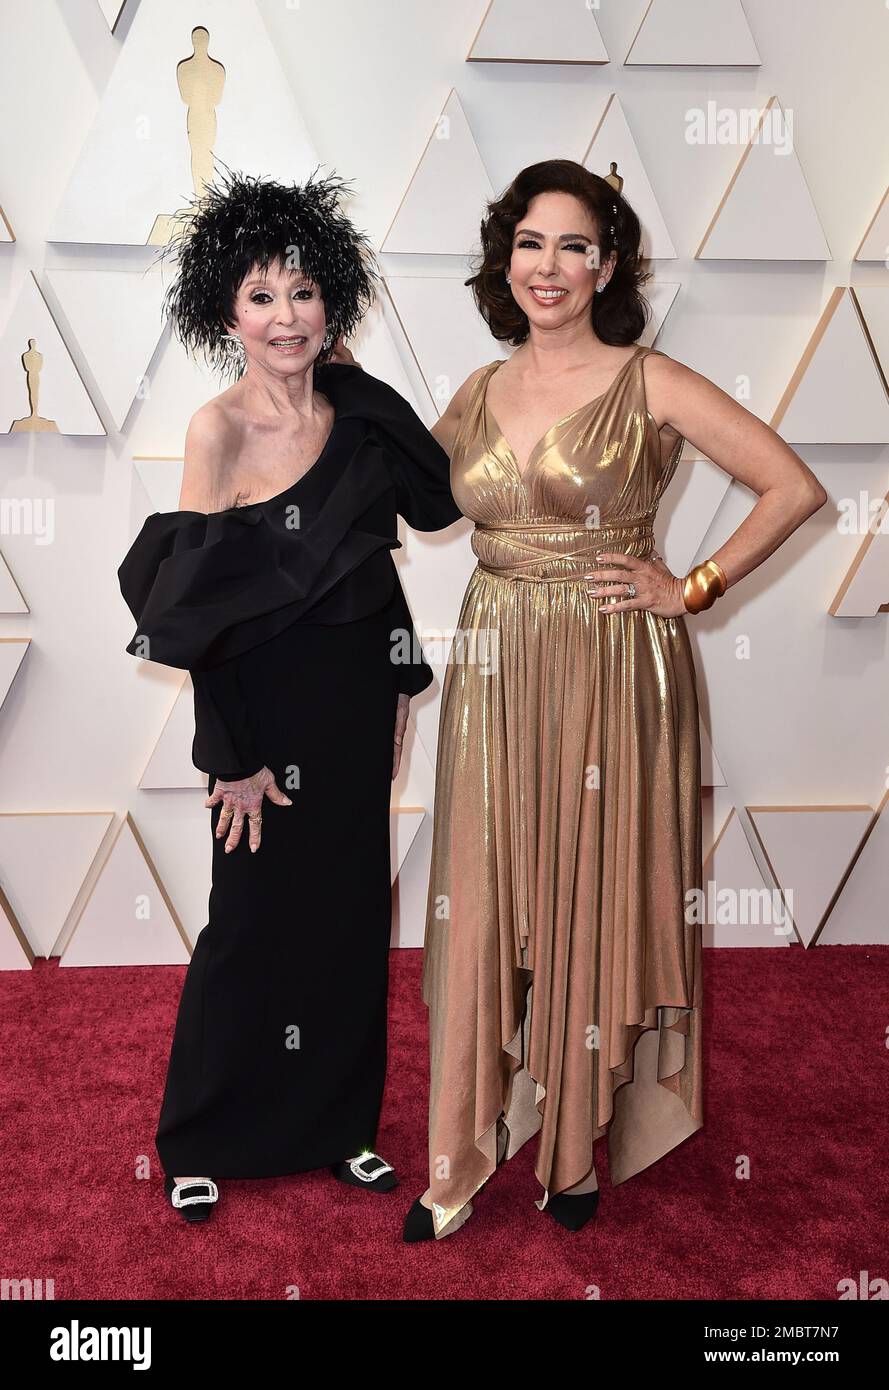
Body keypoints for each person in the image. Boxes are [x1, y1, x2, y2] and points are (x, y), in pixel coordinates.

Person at [402, 158, 827, 1241]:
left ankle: (575, 1141)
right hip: (497, 665)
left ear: (608, 262)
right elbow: (410, 495)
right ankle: (457, 1151)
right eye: (531, 243)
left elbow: (794, 486)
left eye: (574, 245)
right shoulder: (477, 390)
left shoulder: (653, 381)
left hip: (612, 665)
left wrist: (687, 586)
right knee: (487, 894)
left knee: (591, 886)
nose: (549, 266)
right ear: (507, 257)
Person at [117, 166, 461, 1222]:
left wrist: (401, 680)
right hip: (261, 710)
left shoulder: (352, 415)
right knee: (253, 923)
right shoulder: (217, 431)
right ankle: (202, 1134)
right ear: (226, 306)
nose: (284, 316)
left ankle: (338, 1127)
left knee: (354, 915)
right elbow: (197, 608)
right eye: (262, 295)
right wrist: (231, 753)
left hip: (354, 701)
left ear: (334, 304)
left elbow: (430, 504)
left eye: (304, 293)